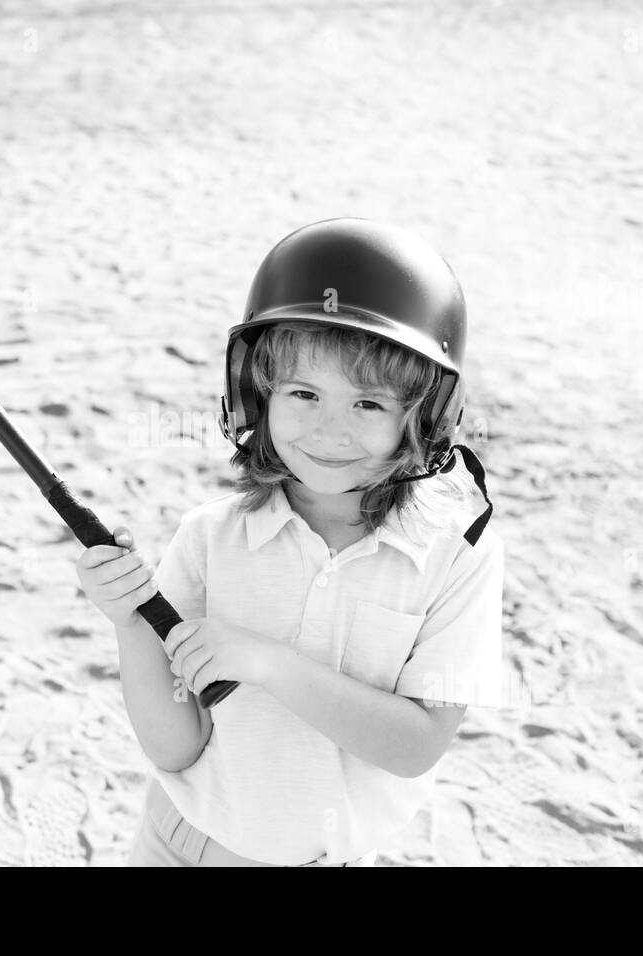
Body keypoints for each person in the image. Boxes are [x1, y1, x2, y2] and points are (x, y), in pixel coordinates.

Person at [75, 218, 502, 866]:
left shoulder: (455, 559)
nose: (330, 430)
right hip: (175, 837)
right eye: (304, 393)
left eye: (368, 404)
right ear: (257, 393)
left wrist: (269, 663)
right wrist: (132, 624)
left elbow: (416, 746)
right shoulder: (212, 536)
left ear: (425, 418)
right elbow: (175, 749)